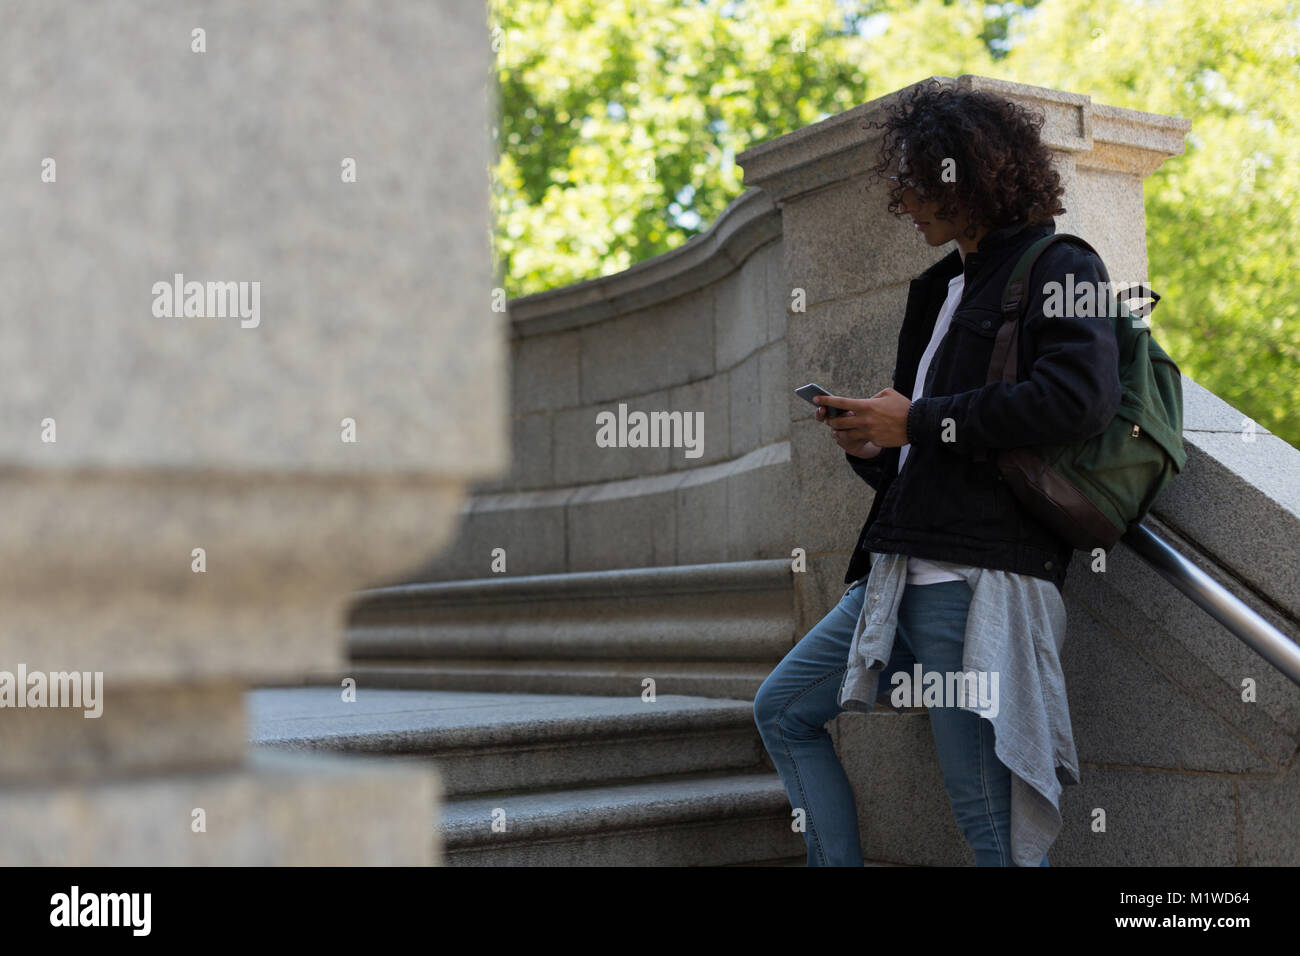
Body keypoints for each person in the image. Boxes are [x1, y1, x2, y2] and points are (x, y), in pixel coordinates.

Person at [753, 80, 1124, 866]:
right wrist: (877, 447)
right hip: (898, 567)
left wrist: (915, 420)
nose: (909, 206)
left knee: (991, 823)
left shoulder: (1060, 264)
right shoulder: (939, 289)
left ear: (975, 177)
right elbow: (934, 446)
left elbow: (1079, 398)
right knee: (782, 709)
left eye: (923, 188)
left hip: (973, 579)